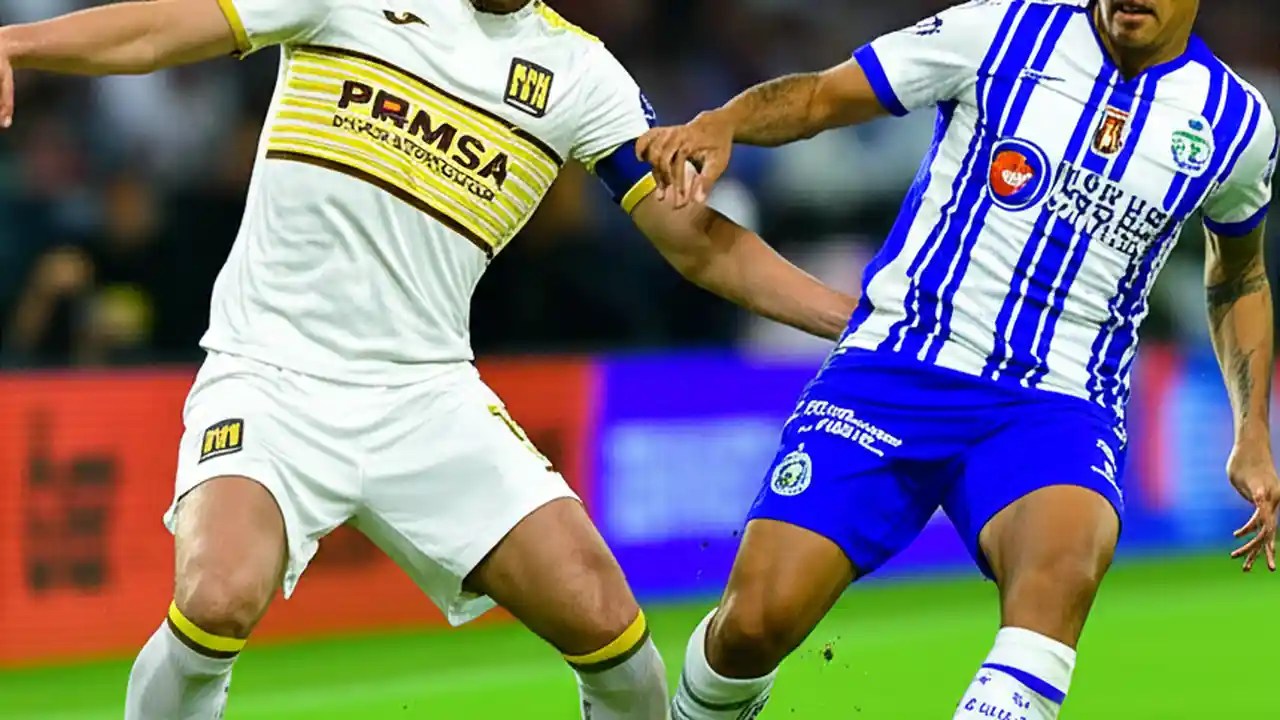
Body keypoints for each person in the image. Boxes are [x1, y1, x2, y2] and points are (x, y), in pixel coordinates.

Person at [0, 2, 857, 718]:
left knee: (612, 631)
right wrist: (17, 42)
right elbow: (164, 29)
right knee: (215, 599)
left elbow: (695, 243)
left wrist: (850, 320)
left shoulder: (578, 73)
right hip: (270, 374)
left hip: (427, 396)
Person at [637, 1, 1280, 718]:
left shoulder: (1238, 124)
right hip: (898, 369)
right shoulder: (1000, 30)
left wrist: (1251, 429)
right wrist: (726, 121)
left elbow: (1239, 276)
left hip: (1058, 403)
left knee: (1055, 584)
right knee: (755, 624)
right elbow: (822, 95)